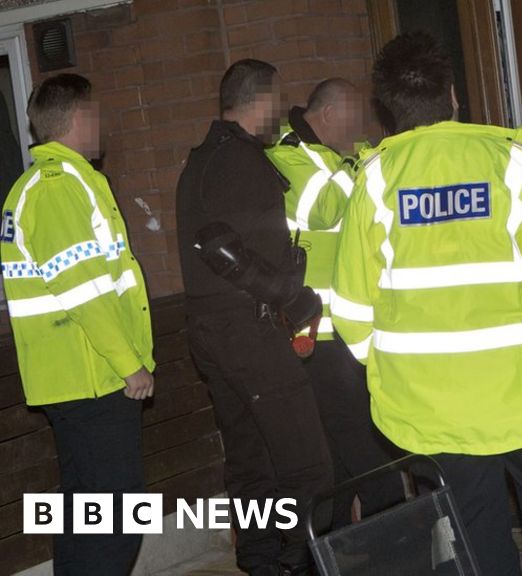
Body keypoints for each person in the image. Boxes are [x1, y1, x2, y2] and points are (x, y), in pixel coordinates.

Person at [332, 32, 522, 575]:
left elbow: (351, 310)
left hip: (437, 410)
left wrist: (403, 368)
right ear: (454, 96)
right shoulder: (509, 164)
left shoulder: (374, 183)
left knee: (477, 548)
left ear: (388, 109)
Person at [176, 59, 332, 576]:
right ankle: (296, 565)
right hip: (248, 331)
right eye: (276, 102)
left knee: (252, 461)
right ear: (259, 101)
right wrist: (288, 295)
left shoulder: (203, 159)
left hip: (216, 333)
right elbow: (220, 246)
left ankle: (261, 561)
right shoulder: (237, 160)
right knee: (306, 463)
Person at [1, 73, 154, 575]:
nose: (104, 122)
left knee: (89, 516)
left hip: (82, 377)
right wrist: (131, 366)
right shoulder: (58, 189)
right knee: (116, 519)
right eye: (98, 112)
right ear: (80, 118)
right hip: (92, 380)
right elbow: (85, 293)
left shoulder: (61, 184)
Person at [265, 78, 403, 525]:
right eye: (354, 118)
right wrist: (361, 161)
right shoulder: (286, 155)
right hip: (315, 333)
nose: (362, 127)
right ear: (327, 115)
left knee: (344, 450)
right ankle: (399, 534)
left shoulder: (339, 157)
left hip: (353, 325)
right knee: (361, 444)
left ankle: (340, 544)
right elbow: (324, 207)